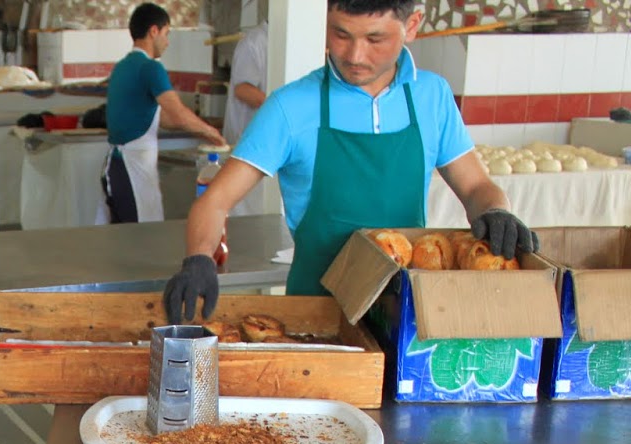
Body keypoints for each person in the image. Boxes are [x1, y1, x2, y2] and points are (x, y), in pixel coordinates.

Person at [165, 0, 537, 315]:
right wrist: (199, 258)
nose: (354, 56)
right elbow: (215, 201)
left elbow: (475, 187)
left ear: (412, 24)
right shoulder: (292, 106)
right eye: (341, 34)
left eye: (375, 39)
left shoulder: (432, 97)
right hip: (317, 312)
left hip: (406, 311)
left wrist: (496, 211)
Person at [99, 3, 226, 225]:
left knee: (123, 241)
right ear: (153, 31)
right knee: (144, 239)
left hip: (116, 169)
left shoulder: (122, 67)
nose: (167, 42)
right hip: (133, 168)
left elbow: (158, 118)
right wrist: (210, 132)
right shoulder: (150, 68)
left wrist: (197, 128)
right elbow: (176, 113)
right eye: (166, 34)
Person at [223, 18, 268, 149]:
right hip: (245, 139)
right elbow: (243, 90)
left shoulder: (287, 40)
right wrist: (281, 108)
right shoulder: (254, 41)